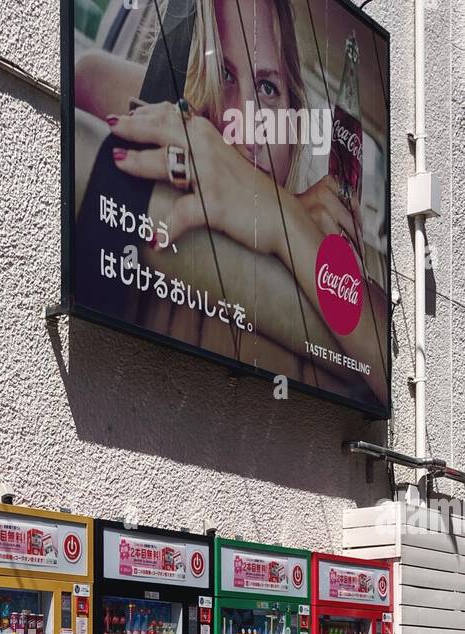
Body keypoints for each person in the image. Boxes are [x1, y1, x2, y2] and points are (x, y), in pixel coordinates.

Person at [75, 0, 387, 407]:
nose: (245, 121)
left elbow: (393, 365)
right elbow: (85, 77)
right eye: (222, 73)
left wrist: (279, 214)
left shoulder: (316, 228)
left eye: (268, 87)